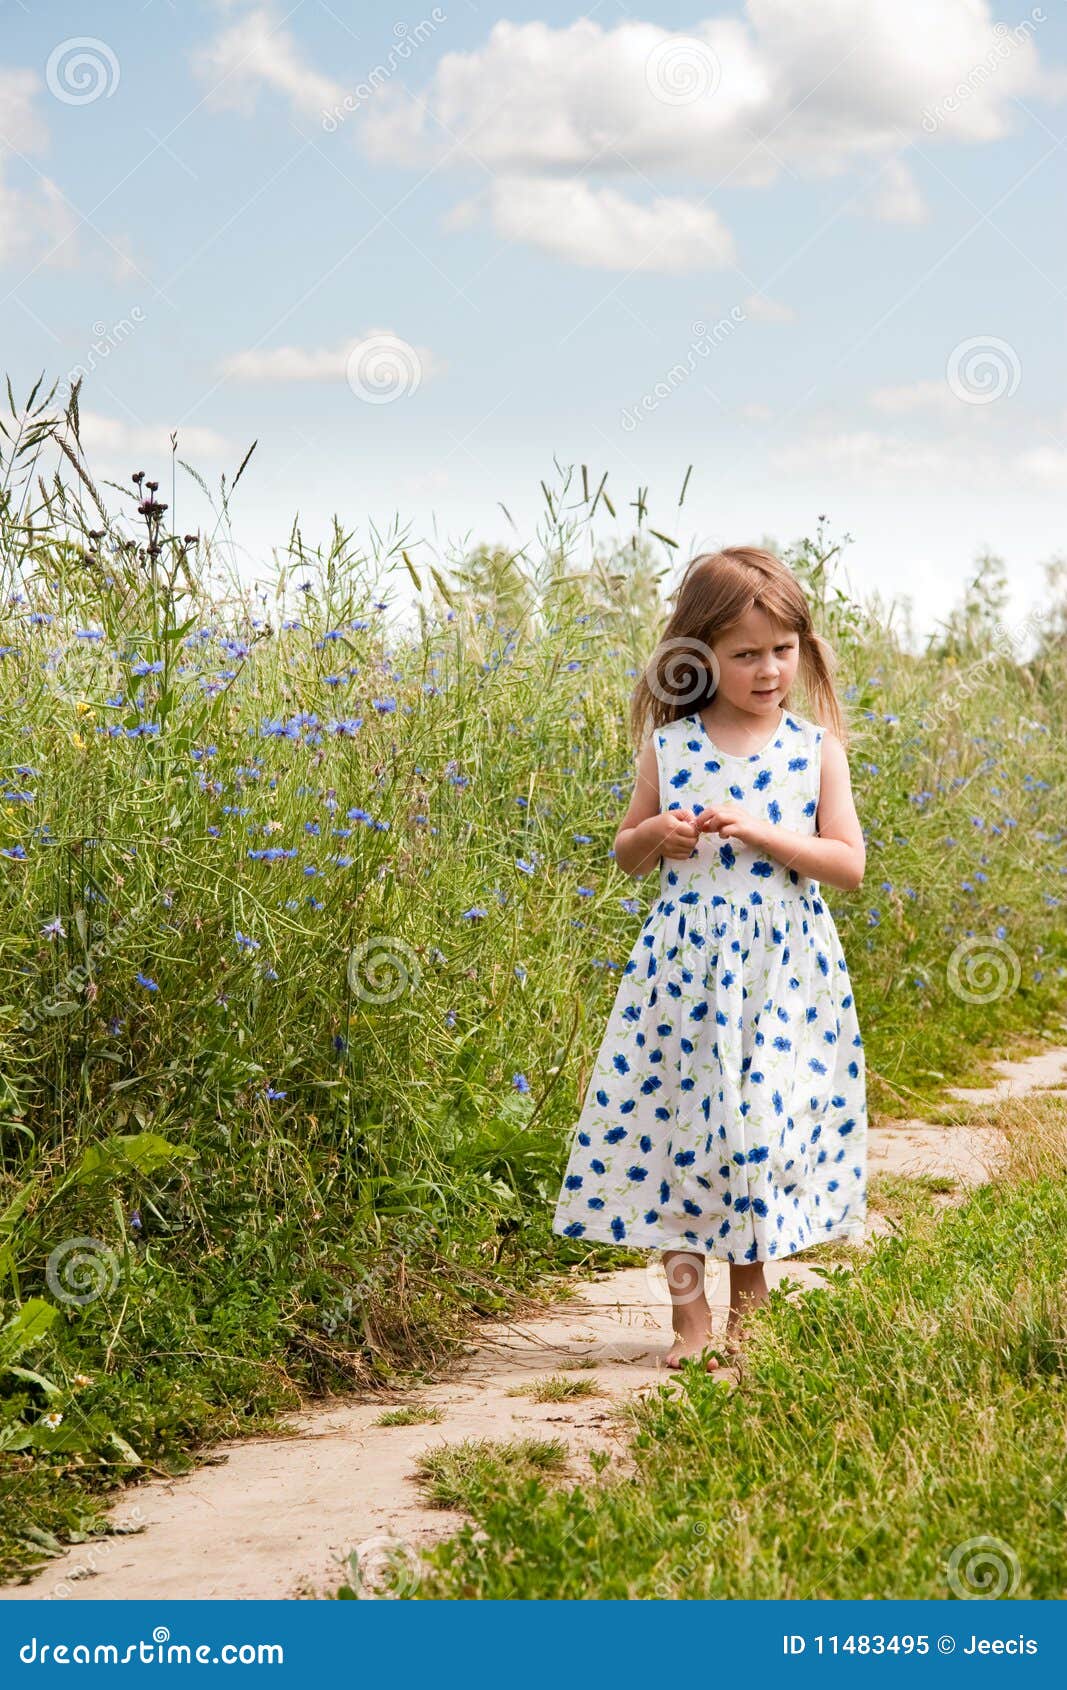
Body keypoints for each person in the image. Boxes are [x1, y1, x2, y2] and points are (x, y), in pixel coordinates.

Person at [551, 545, 868, 1372]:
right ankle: (689, 1321)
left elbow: (847, 863)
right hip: (683, 978)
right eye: (744, 654)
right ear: (699, 657)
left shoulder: (812, 749)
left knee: (753, 1135)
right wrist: (658, 835)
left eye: (782, 649)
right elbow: (626, 852)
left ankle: (750, 1314)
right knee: (682, 1134)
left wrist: (762, 832)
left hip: (780, 979)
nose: (768, 670)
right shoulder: (672, 748)